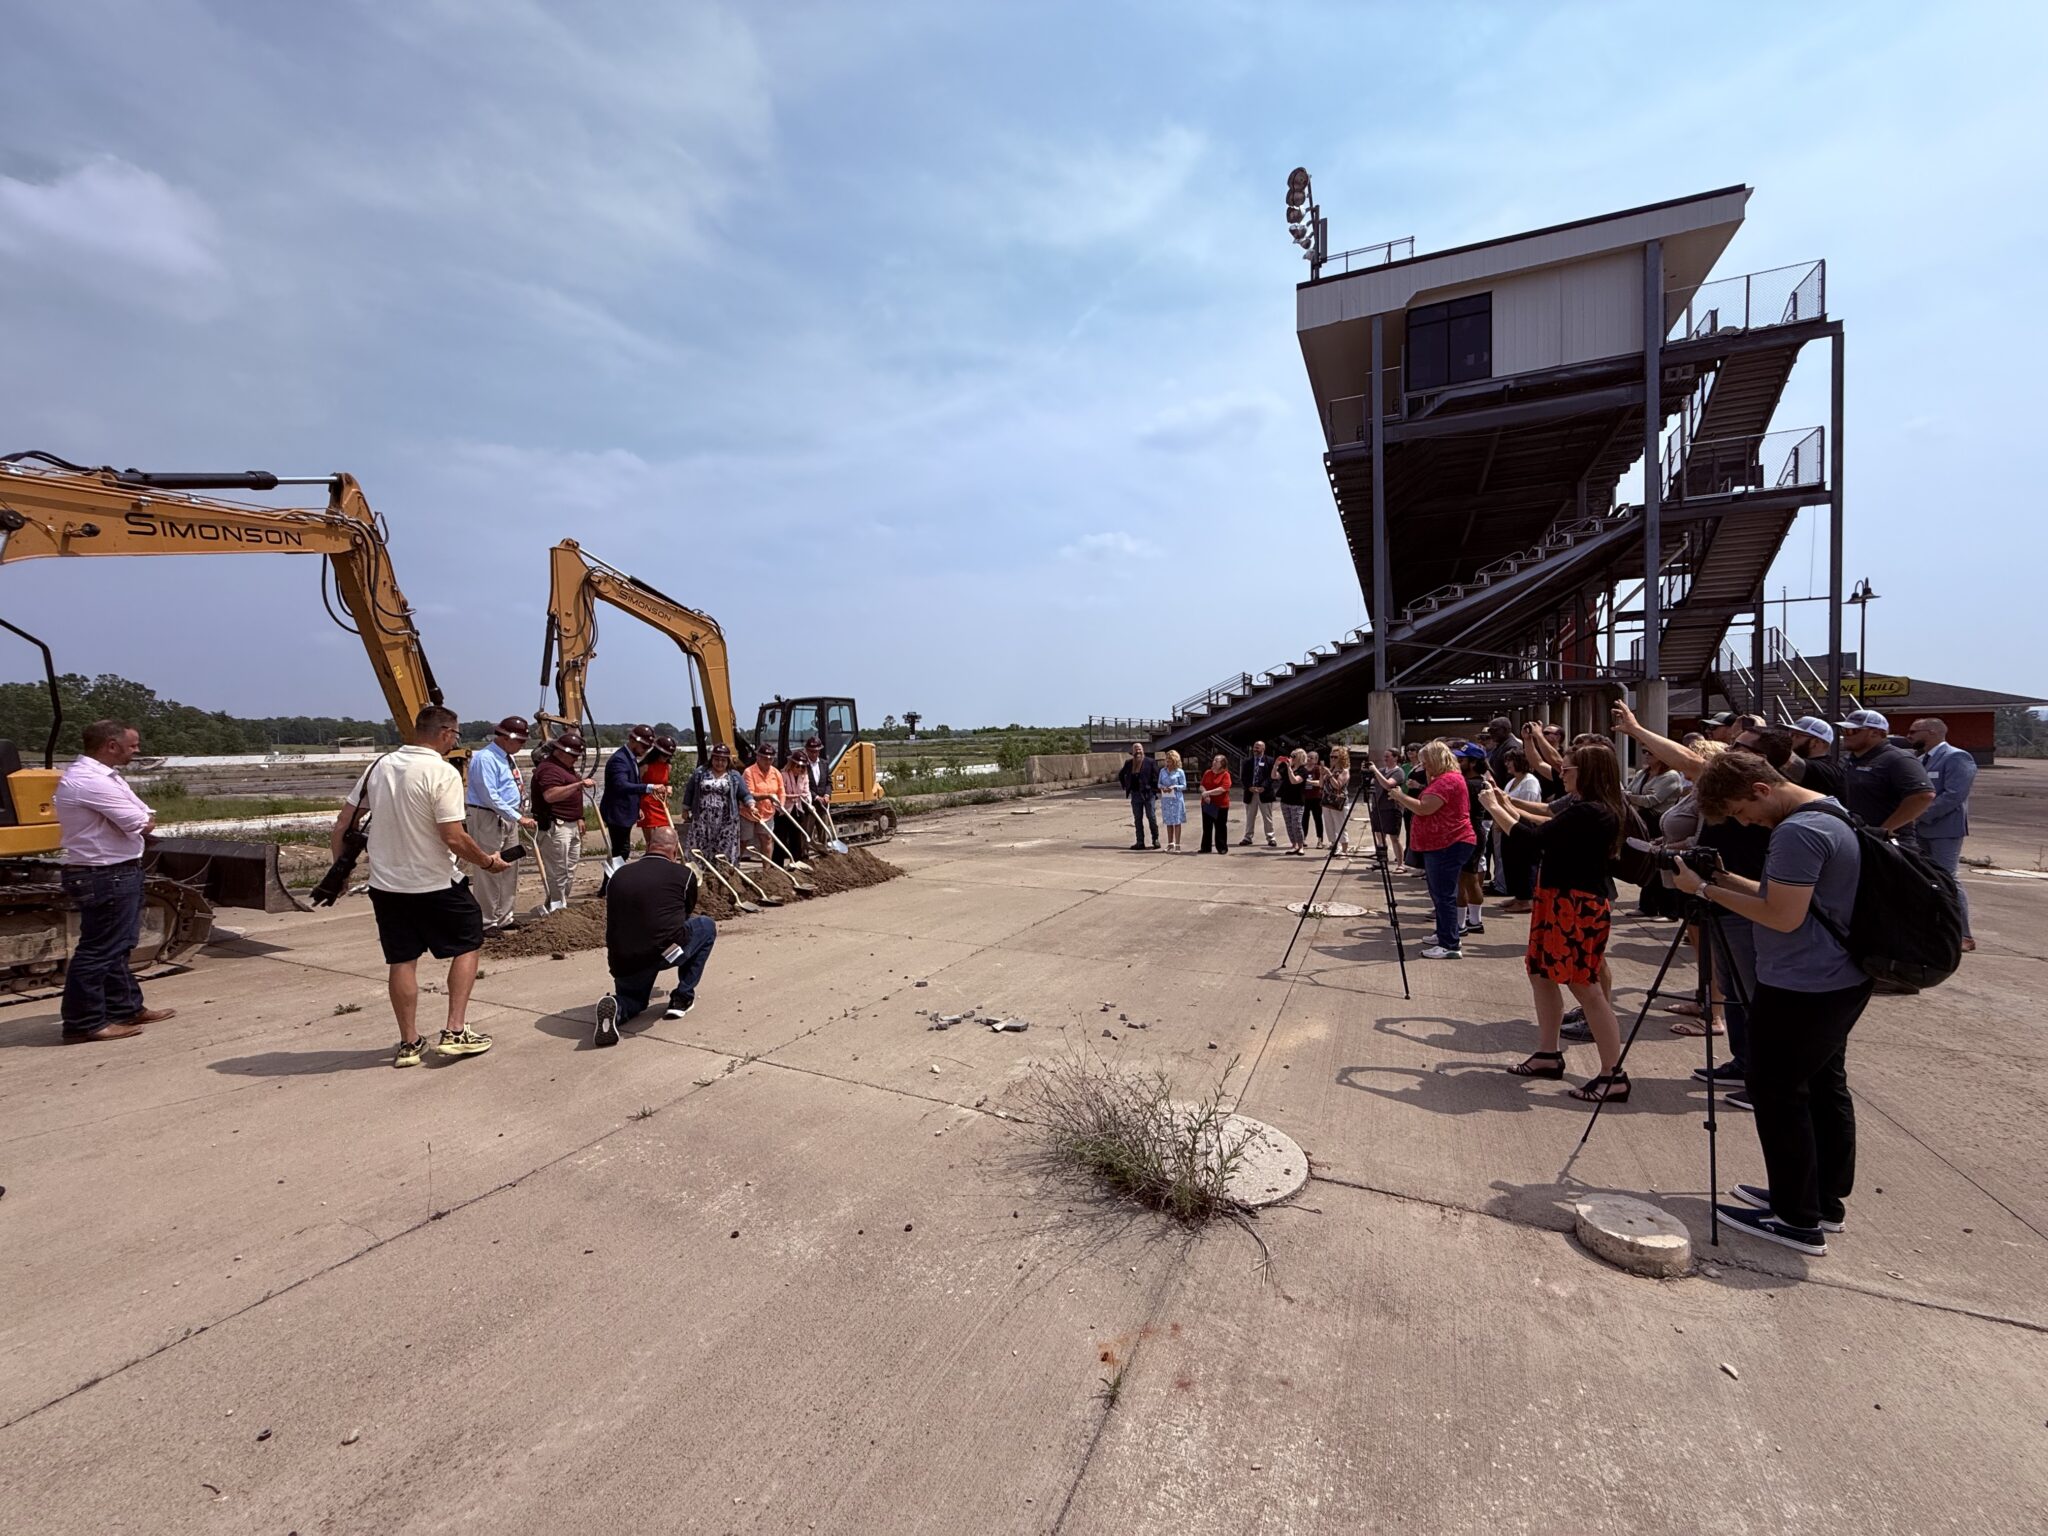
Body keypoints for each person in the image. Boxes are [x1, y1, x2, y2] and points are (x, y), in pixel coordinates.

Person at [1674, 751, 1875, 1256]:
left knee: (1777, 1090)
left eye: (1743, 813)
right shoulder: (1830, 812)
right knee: (1824, 1088)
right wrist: (1722, 878)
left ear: (1762, 790)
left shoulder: (1796, 832)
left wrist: (1702, 890)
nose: (1747, 823)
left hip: (1803, 982)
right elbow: (1788, 898)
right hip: (1837, 977)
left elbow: (1782, 917)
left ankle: (1795, 1217)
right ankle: (1820, 1200)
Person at [335, 705, 511, 1068]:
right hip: (434, 882)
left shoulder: (378, 767)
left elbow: (342, 824)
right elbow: (454, 836)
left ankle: (409, 1042)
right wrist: (487, 863)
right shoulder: (441, 773)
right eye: (456, 736)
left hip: (386, 885)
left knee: (402, 960)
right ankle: (455, 1030)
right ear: (447, 733)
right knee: (468, 943)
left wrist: (341, 874)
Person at [1480, 746, 1628, 1102]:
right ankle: (1548, 1053)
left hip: (1576, 904)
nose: (1562, 772)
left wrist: (1495, 808)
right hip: (1556, 899)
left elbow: (1533, 841)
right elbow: (1549, 824)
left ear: (1588, 772)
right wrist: (1506, 803)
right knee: (1540, 972)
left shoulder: (1593, 811)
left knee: (1584, 986)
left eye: (1569, 768)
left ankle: (1613, 1073)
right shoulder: (1583, 807)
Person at [50, 719, 174, 1042]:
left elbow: (143, 813)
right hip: (104, 873)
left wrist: (142, 820)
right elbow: (139, 821)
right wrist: (142, 821)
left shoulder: (107, 778)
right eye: (132, 745)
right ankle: (84, 1022)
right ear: (111, 746)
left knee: (119, 946)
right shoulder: (91, 782)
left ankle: (125, 1007)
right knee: (99, 950)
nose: (137, 750)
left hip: (115, 870)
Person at [591, 827, 718, 1047]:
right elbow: (685, 913)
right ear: (675, 852)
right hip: (664, 952)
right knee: (705, 926)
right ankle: (682, 996)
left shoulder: (619, 874)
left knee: (634, 1000)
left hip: (622, 958)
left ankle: (617, 1007)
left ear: (648, 846)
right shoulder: (684, 874)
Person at [1372, 741, 1473, 958]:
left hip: (1448, 843)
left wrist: (1400, 796)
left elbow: (1424, 808)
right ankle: (1444, 933)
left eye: (1426, 764)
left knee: (1444, 895)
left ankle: (1450, 945)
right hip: (1441, 843)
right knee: (1439, 893)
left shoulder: (1447, 781)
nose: (1424, 767)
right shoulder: (1445, 779)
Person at [1909, 717, 1978, 952]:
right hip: (1920, 830)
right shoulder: (1920, 760)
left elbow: (1954, 794)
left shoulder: (1957, 757)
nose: (1909, 736)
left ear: (1931, 732)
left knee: (1947, 879)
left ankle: (1963, 935)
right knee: (1925, 879)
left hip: (1944, 830)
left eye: (1913, 731)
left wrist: (1919, 814)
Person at [465, 716, 535, 935]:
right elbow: (489, 795)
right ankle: (487, 921)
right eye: (520, 741)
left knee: (509, 867)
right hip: (488, 817)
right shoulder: (485, 758)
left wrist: (518, 812)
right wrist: (518, 817)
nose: (522, 746)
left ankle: (505, 916)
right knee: (489, 867)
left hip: (508, 818)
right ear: (506, 738)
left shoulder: (507, 758)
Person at [1836, 709, 1933, 852]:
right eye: (1843, 730)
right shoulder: (1846, 760)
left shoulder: (1898, 759)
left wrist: (1883, 831)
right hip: (1854, 838)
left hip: (1886, 843)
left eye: (1852, 731)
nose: (1845, 736)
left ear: (1875, 733)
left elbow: (1923, 796)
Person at [529, 732, 593, 913]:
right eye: (573, 755)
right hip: (555, 825)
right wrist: (578, 785)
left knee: (569, 869)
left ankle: (558, 904)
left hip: (570, 823)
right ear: (560, 752)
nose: (575, 759)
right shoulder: (548, 768)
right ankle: (558, 908)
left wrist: (580, 817)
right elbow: (550, 795)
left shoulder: (565, 767)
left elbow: (572, 796)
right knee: (558, 872)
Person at [600, 725, 666, 882]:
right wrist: (649, 787)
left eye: (648, 748)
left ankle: (609, 886)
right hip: (617, 812)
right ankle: (610, 885)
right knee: (620, 851)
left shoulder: (629, 758)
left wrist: (636, 807)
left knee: (620, 851)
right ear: (632, 740)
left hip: (625, 811)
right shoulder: (619, 760)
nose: (645, 750)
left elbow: (630, 784)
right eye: (643, 746)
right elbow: (621, 785)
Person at [682, 743, 752, 866]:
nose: (719, 763)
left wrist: (751, 805)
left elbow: (744, 793)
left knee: (724, 848)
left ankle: (723, 873)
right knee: (700, 847)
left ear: (728, 761)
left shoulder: (734, 776)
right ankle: (698, 872)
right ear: (712, 759)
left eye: (723, 760)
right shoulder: (700, 773)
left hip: (726, 820)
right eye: (717, 759)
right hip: (702, 819)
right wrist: (685, 809)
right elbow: (690, 790)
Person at [1497, 748, 1542, 914]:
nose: (1507, 764)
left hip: (1523, 828)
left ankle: (1525, 900)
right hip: (1509, 828)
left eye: (1511, 761)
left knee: (1524, 865)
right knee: (1512, 864)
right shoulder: (1512, 781)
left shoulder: (1530, 782)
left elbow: (1526, 809)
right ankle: (1518, 896)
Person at [1455, 743, 1492, 934]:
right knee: (1471, 878)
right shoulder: (1482, 782)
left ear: (1473, 762)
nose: (1457, 763)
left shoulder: (1467, 784)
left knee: (1460, 880)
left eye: (1461, 760)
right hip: (1477, 832)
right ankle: (1475, 920)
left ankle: (1460, 925)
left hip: (1466, 833)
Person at [743, 742, 785, 860]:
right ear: (758, 757)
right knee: (744, 840)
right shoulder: (749, 772)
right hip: (749, 812)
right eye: (765, 758)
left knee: (767, 839)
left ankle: (767, 871)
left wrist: (781, 805)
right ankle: (735, 868)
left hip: (767, 813)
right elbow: (749, 793)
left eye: (771, 759)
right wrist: (768, 796)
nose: (768, 761)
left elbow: (781, 791)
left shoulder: (776, 773)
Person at [1117, 741, 1160, 851]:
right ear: (1132, 751)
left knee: (1151, 817)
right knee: (1137, 819)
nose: (1138, 751)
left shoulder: (1150, 762)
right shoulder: (1129, 763)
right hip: (1135, 795)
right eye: (1135, 749)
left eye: (1139, 749)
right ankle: (1140, 842)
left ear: (1143, 750)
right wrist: (1126, 786)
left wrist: (1153, 790)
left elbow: (1157, 777)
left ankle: (1155, 839)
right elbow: (1121, 775)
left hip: (1148, 795)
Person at [776, 747, 814, 864]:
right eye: (797, 766)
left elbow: (806, 793)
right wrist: (790, 796)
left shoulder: (804, 776)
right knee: (781, 838)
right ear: (791, 764)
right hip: (783, 810)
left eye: (803, 767)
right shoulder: (783, 775)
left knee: (797, 838)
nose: (800, 769)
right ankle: (778, 864)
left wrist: (809, 804)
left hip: (797, 809)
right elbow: (780, 792)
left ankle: (796, 863)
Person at [1786, 717, 1842, 797]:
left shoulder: (1827, 770)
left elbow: (1797, 764)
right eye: (1790, 734)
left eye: (1796, 736)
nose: (1791, 739)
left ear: (1816, 742)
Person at [1369, 748, 1405, 866]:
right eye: (1384, 756)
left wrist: (1375, 771)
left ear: (1395, 757)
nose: (1385, 759)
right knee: (1380, 836)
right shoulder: (1381, 770)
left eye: (1388, 756)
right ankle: (1382, 861)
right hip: (1378, 806)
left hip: (1391, 808)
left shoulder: (1398, 772)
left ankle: (1400, 864)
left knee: (1394, 837)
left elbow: (1388, 784)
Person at [1239, 739, 1276, 847]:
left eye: (1257, 747)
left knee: (1267, 817)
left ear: (1263, 749)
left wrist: (1263, 787)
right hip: (1251, 793)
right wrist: (1249, 787)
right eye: (1254, 747)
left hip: (1265, 793)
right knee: (1250, 816)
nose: (1255, 749)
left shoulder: (1270, 761)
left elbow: (1272, 777)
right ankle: (1248, 837)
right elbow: (1244, 777)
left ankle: (1271, 838)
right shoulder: (1247, 762)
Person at [639, 734, 677, 839]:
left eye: (669, 756)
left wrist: (669, 787)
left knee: (664, 837)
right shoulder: (645, 766)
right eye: (665, 755)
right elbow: (636, 786)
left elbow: (665, 782)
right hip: (647, 804)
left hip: (661, 803)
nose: (667, 758)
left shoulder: (668, 767)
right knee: (651, 840)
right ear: (657, 752)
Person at [1275, 748, 1309, 855]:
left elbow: (1295, 781)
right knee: (1289, 824)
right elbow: (1274, 776)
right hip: (1285, 799)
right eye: (1291, 755)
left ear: (1299, 757)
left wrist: (1290, 768)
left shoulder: (1303, 770)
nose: (1291, 757)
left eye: (1294, 756)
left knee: (1297, 824)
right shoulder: (1286, 768)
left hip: (1297, 801)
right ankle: (1293, 844)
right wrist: (1276, 764)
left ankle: (1301, 845)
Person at [1198, 753, 1232, 853]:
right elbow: (1202, 785)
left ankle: (1222, 847)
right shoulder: (1208, 773)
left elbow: (1223, 789)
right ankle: (1206, 847)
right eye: (1214, 760)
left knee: (1220, 826)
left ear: (1222, 763)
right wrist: (1205, 794)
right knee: (1207, 826)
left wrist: (1208, 793)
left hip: (1221, 805)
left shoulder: (1226, 775)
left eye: (1217, 761)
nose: (1214, 762)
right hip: (1207, 804)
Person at [1322, 746, 1352, 855]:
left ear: (1341, 758)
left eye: (1335, 757)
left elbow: (1338, 785)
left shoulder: (1344, 771)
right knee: (1329, 825)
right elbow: (1321, 784)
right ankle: (1335, 846)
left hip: (1339, 801)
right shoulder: (1330, 769)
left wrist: (1329, 775)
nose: (1332, 759)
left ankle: (1344, 850)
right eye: (1331, 756)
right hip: (1327, 800)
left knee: (1340, 825)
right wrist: (1322, 775)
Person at [1156, 749, 1188, 852]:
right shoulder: (1162, 771)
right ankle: (1170, 843)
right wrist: (1163, 787)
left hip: (1176, 799)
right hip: (1166, 799)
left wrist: (1175, 786)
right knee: (1169, 822)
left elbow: (1184, 786)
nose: (1167, 762)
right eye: (1167, 760)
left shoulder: (1180, 772)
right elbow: (1159, 783)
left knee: (1177, 822)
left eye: (1169, 760)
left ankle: (1177, 844)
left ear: (1174, 761)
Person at [1302, 748, 1325, 848]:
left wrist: (1309, 782)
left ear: (1316, 760)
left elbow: (1320, 783)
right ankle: (1303, 838)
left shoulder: (1318, 769)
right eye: (1307, 757)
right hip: (1304, 798)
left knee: (1318, 819)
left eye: (1311, 758)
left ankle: (1320, 840)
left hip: (1316, 798)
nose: (1309, 759)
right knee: (1304, 819)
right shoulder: (1302, 769)